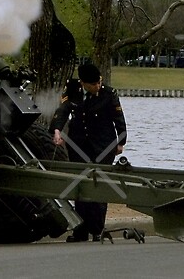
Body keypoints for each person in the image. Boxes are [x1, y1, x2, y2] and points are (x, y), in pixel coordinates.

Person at [50, 63, 127, 242]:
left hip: (103, 145)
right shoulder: (73, 90)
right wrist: (56, 129)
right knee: (81, 187)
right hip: (79, 145)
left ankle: (97, 230)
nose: (97, 86)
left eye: (99, 82)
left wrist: (121, 142)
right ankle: (81, 230)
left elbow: (119, 119)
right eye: (93, 84)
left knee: (99, 187)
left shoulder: (109, 94)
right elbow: (62, 111)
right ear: (83, 83)